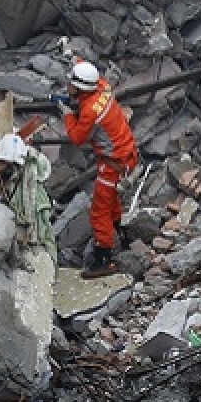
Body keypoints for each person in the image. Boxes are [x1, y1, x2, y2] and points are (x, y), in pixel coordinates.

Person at [54, 59, 138, 279]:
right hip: (126, 152)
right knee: (111, 201)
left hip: (113, 163)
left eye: (71, 83)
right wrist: (72, 56)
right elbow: (86, 68)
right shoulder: (101, 86)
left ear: (80, 89)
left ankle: (105, 257)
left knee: (99, 210)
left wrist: (66, 113)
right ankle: (120, 232)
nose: (68, 86)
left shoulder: (90, 111)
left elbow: (77, 137)